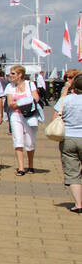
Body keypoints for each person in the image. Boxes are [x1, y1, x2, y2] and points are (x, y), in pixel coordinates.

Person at [3, 65, 42, 175]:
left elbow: (36, 98)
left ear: (20, 74)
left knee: (30, 141)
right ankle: (21, 167)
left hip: (29, 116)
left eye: (13, 73)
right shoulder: (10, 87)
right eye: (10, 73)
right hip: (16, 116)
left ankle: (31, 165)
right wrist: (24, 102)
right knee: (18, 140)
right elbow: (10, 103)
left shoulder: (30, 84)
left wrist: (19, 103)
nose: (10, 76)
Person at [54, 74, 82, 213]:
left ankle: (78, 204)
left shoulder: (65, 100)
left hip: (69, 137)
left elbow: (55, 118)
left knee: (72, 172)